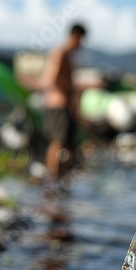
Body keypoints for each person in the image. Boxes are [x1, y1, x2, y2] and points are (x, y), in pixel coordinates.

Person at [41, 23, 87, 181]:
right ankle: (51, 178)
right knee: (57, 142)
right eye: (81, 39)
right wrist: (71, 89)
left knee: (66, 143)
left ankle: (61, 178)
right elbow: (52, 79)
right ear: (76, 36)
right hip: (58, 103)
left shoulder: (67, 55)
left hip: (64, 104)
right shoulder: (60, 53)